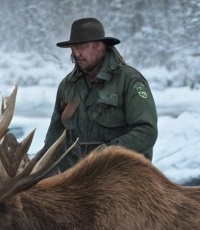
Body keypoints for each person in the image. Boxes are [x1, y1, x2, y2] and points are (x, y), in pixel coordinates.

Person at [43, 17, 156, 171]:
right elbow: (54, 138)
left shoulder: (129, 80)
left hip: (123, 177)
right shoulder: (67, 85)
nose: (76, 53)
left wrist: (105, 154)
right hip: (77, 180)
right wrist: (36, 165)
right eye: (73, 48)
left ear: (100, 46)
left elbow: (147, 132)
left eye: (82, 46)